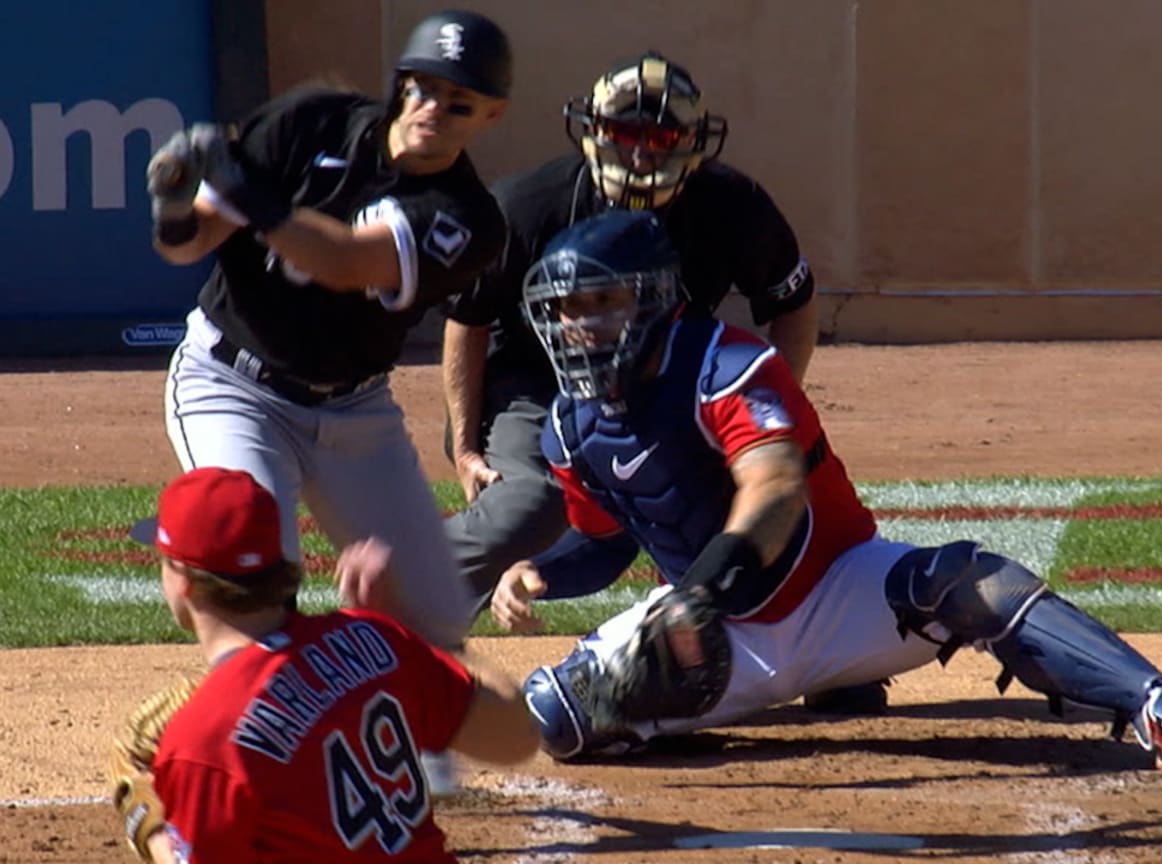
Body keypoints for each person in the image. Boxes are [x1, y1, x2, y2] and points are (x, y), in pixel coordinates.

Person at [490, 209, 1162, 777]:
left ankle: (1159, 706)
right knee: (555, 717)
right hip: (715, 641)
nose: (578, 324)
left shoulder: (728, 362)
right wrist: (544, 571)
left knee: (970, 579)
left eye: (599, 300)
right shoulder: (570, 427)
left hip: (836, 589)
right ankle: (750, 704)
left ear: (651, 296)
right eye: (563, 309)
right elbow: (609, 535)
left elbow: (776, 487)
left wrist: (702, 592)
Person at [435, 50, 877, 711]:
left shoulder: (732, 204)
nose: (641, 153)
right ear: (592, 132)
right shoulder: (528, 205)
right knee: (529, 505)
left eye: (661, 137)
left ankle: (826, 652)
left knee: (756, 489)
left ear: (693, 143)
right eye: (624, 134)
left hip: (658, 386)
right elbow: (466, 323)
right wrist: (468, 447)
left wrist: (767, 414)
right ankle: (396, 625)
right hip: (535, 385)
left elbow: (793, 301)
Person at [145, 9, 511, 653]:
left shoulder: (469, 219)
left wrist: (249, 192)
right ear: (400, 83)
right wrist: (174, 206)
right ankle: (254, 745)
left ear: (491, 117)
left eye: (459, 102)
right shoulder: (312, 120)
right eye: (423, 87)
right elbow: (190, 241)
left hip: (355, 412)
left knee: (433, 617)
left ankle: (408, 753)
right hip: (232, 386)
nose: (432, 108)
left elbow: (343, 262)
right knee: (252, 579)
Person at [118, 466, 538, 864]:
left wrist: (151, 825)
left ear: (182, 579)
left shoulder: (203, 741)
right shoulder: (374, 640)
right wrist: (405, 629)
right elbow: (516, 737)